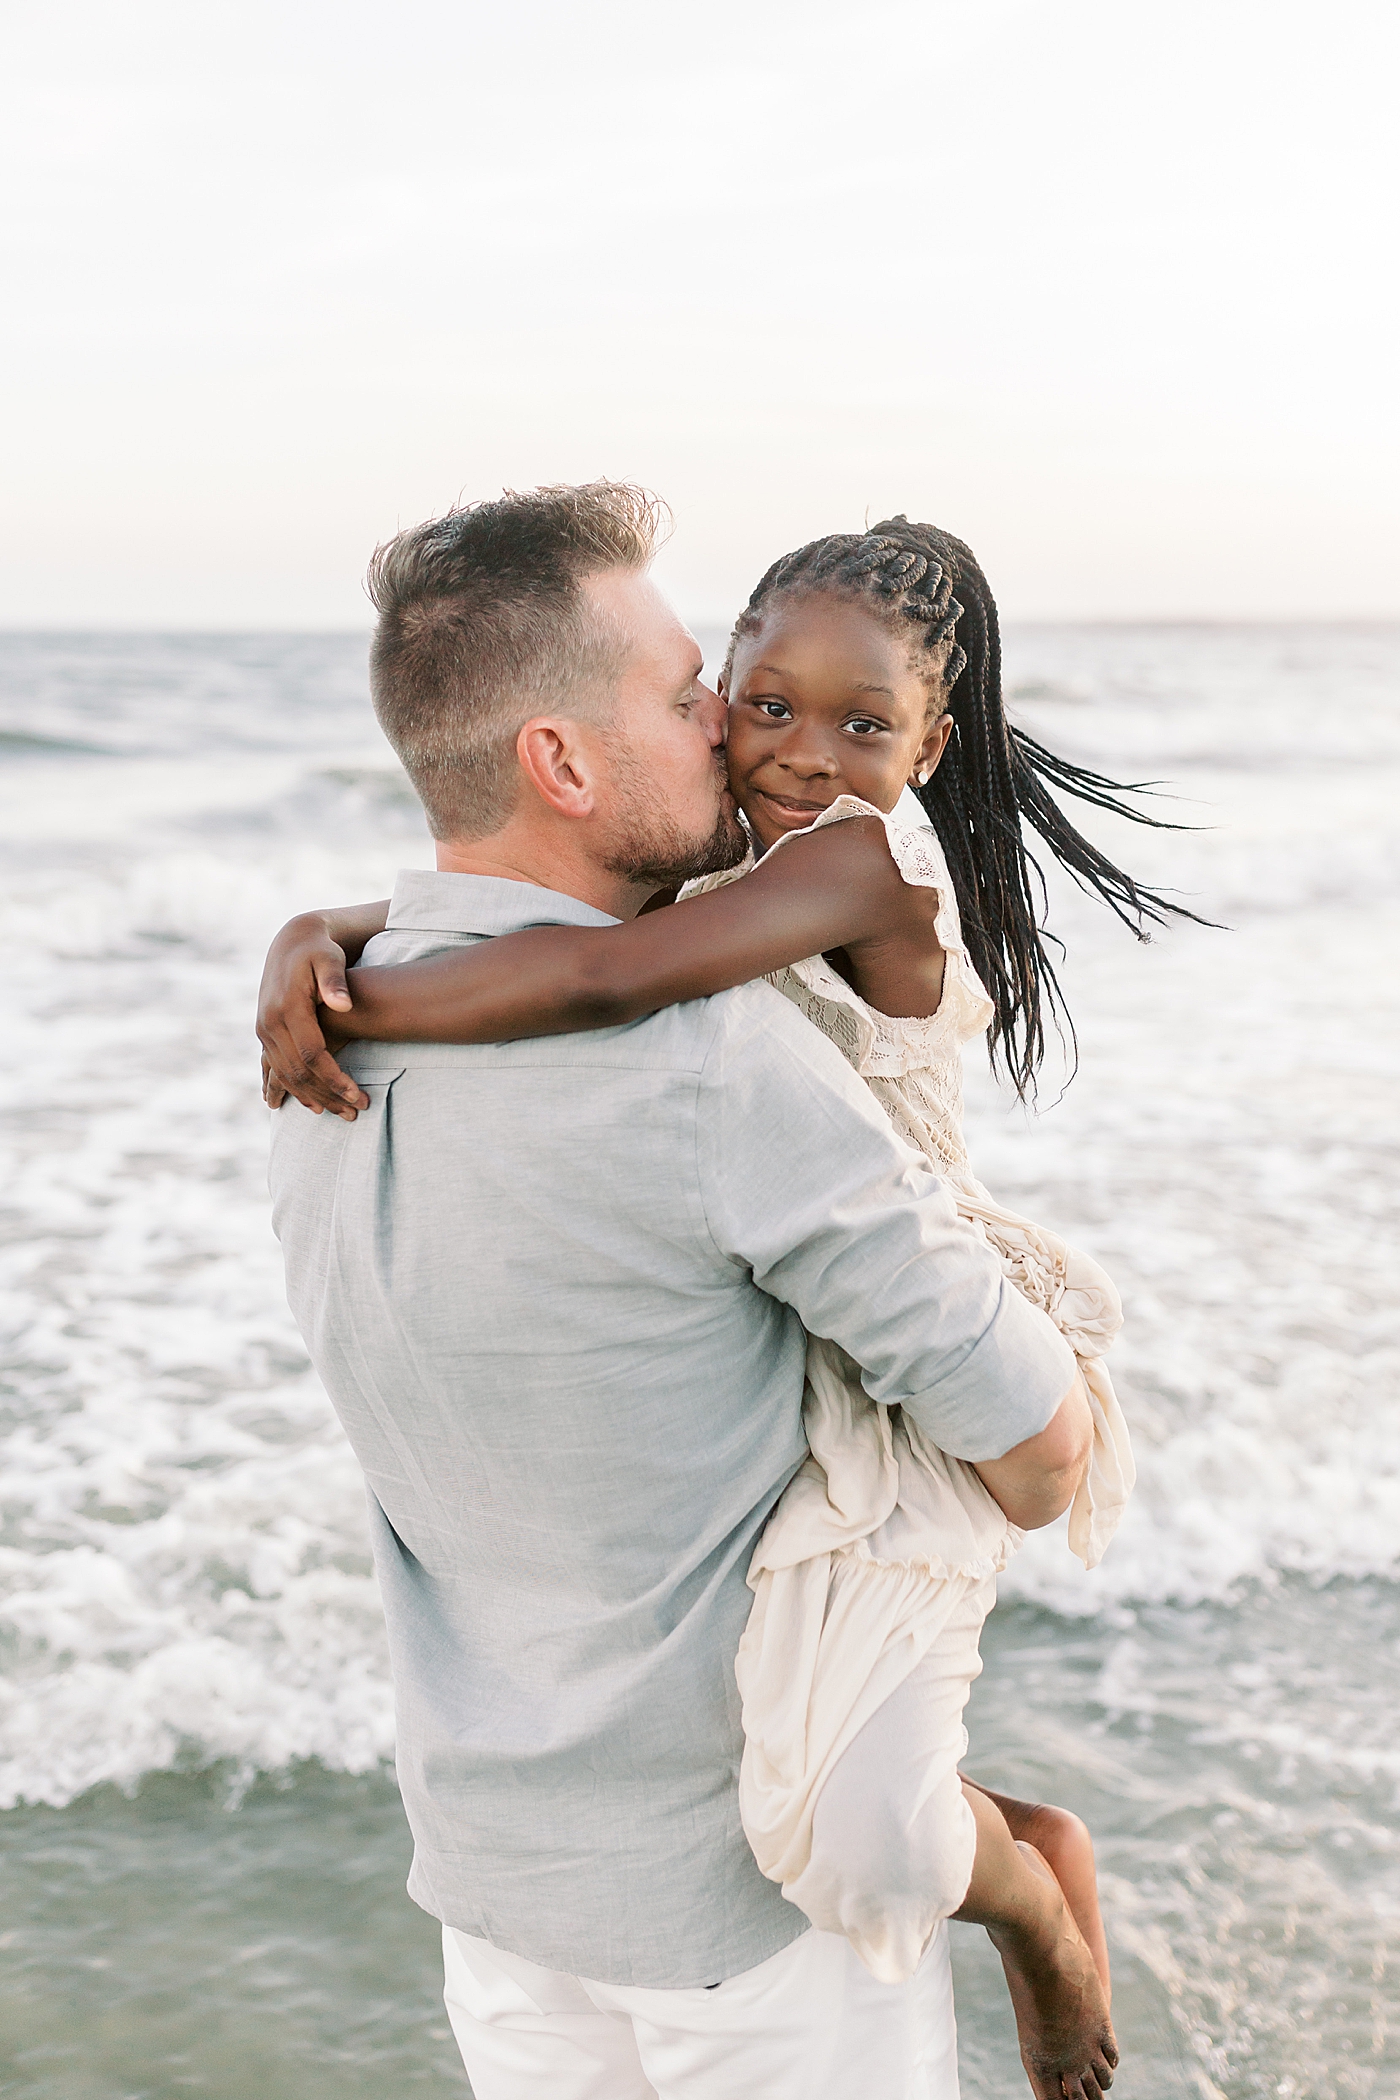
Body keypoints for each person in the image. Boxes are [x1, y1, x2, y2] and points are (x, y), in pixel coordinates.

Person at [264, 483, 1119, 2100]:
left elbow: (589, 970)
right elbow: (1038, 1458)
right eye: (710, 693)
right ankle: (1010, 1874)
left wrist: (345, 972)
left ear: (920, 745)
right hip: (725, 1906)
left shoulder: (318, 1065)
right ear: (568, 761)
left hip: (505, 1880)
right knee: (875, 1819)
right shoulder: (694, 1028)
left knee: (881, 1818)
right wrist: (337, 945)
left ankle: (1021, 1890)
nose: (745, 734)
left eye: (841, 717)